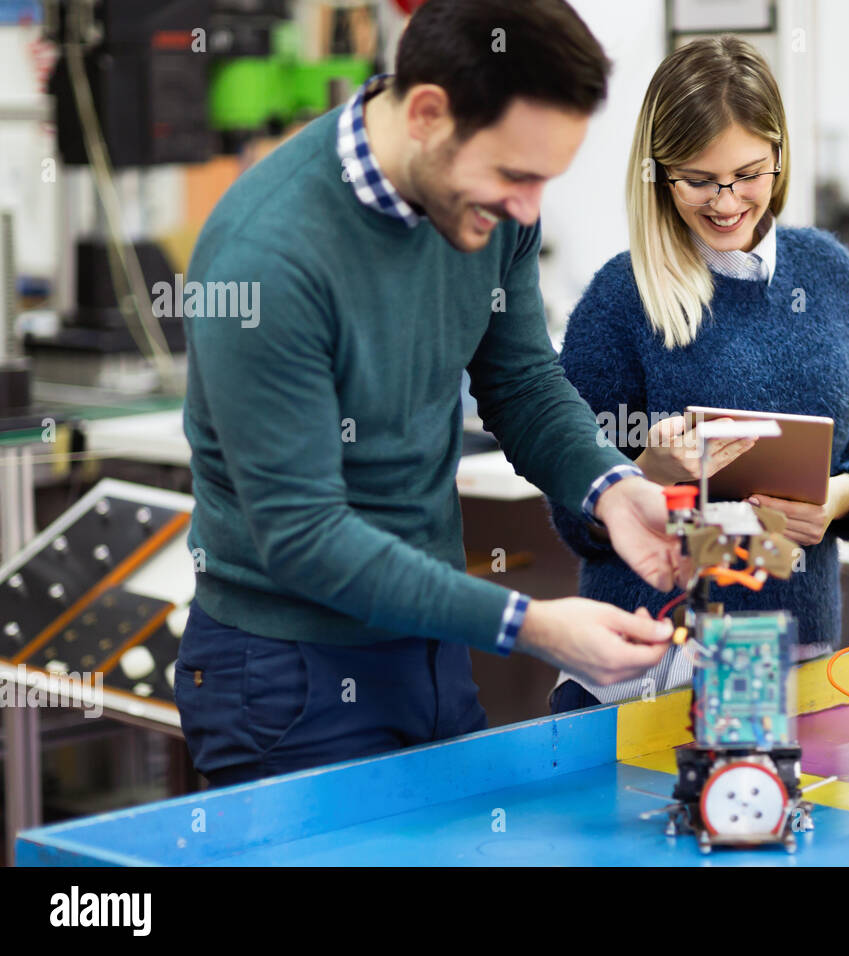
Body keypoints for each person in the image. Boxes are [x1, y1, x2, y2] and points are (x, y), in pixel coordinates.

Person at [177, 0, 683, 787]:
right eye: (514, 174)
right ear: (426, 113)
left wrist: (611, 488)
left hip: (430, 646)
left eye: (545, 179)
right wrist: (533, 626)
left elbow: (519, 382)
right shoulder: (268, 257)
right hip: (287, 676)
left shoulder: (493, 211)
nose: (527, 209)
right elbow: (306, 536)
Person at [547, 35, 849, 712]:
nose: (725, 201)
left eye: (748, 173)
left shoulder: (826, 272)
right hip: (647, 673)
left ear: (780, 155)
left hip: (796, 663)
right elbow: (571, 505)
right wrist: (643, 472)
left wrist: (842, 496)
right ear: (658, 173)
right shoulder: (621, 296)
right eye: (697, 179)